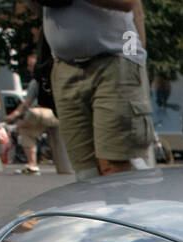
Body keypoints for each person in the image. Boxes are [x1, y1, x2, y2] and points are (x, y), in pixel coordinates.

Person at [42, 0, 153, 179]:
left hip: (113, 61)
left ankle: (131, 204)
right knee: (86, 173)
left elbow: (128, 3)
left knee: (115, 164)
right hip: (65, 65)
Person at [4, 54, 60, 174]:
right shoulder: (57, 78)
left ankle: (32, 164)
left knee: (25, 131)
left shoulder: (35, 82)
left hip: (40, 112)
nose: (29, 68)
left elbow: (26, 104)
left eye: (31, 66)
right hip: (58, 114)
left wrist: (11, 117)